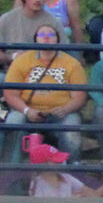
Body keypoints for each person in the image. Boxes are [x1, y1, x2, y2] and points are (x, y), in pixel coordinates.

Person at [3, 23, 88, 161]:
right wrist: (27, 111)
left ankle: (72, 167)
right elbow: (10, 94)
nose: (46, 37)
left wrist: (65, 109)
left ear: (57, 39)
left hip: (59, 114)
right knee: (14, 119)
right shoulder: (22, 61)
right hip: (27, 111)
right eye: (42, 34)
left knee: (72, 122)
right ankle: (12, 167)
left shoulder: (72, 63)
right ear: (35, 39)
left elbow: (79, 96)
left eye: (51, 34)